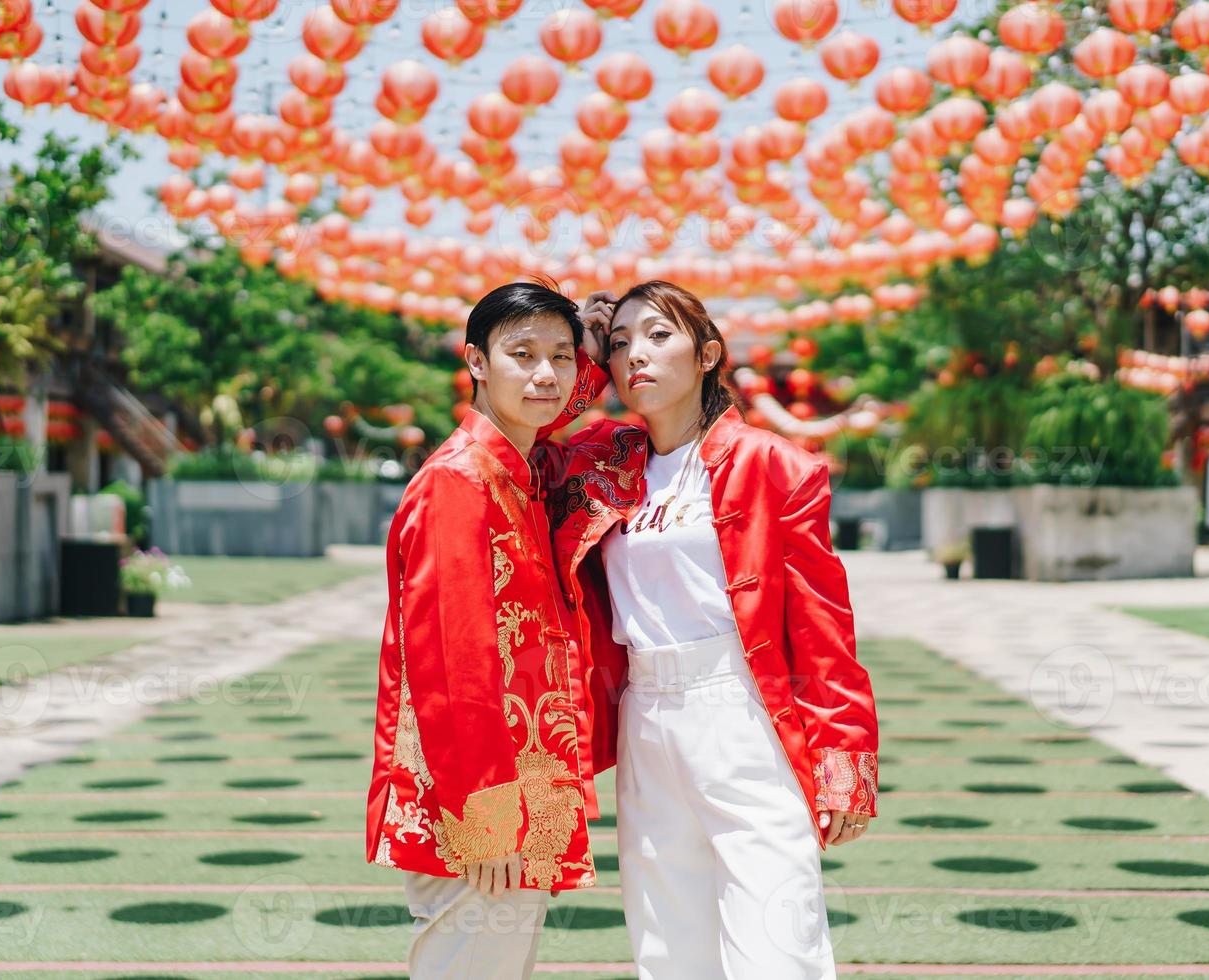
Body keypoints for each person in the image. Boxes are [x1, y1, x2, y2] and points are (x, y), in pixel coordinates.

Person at [534, 280, 879, 979]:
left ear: (708, 354)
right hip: (645, 716)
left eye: (660, 336)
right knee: (668, 941)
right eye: (622, 342)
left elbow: (822, 624)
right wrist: (587, 357)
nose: (638, 356)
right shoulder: (603, 460)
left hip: (741, 711)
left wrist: (843, 760)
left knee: (777, 936)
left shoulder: (775, 466)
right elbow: (529, 437)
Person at [364, 279, 614, 980]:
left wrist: (586, 346)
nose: (546, 373)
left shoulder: (517, 469)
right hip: (478, 807)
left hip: (518, 793)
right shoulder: (461, 483)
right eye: (522, 353)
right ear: (475, 361)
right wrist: (488, 820)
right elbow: (453, 667)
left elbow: (553, 395)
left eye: (562, 357)